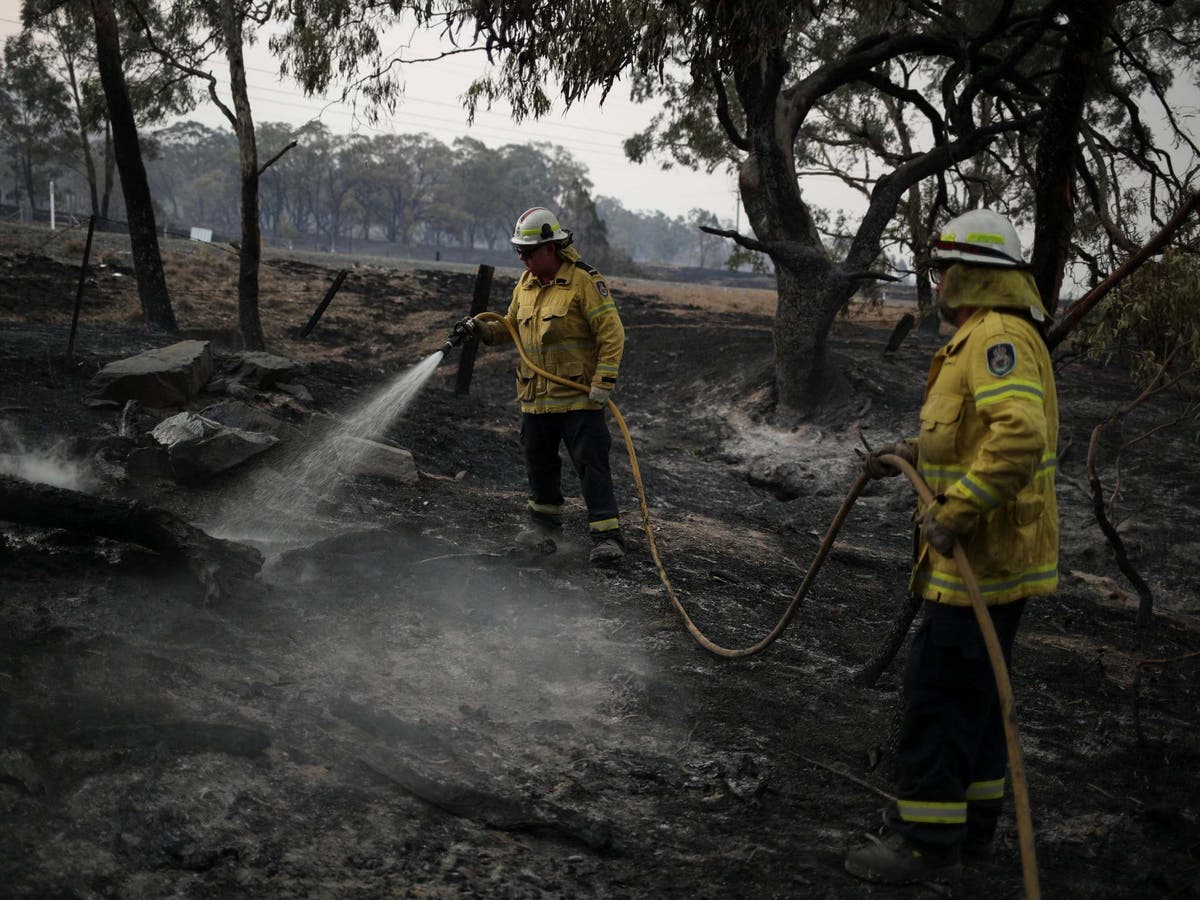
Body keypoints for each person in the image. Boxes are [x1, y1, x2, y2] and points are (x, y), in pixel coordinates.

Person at [845, 209, 1059, 884]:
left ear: (969, 274)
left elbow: (1018, 437)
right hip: (992, 559)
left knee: (937, 694)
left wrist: (957, 512)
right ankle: (973, 830)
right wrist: (913, 452)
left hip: (982, 559)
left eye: (943, 270)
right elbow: (973, 433)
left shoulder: (996, 338)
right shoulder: (985, 337)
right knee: (976, 696)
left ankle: (926, 843)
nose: (937, 283)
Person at [456, 206, 627, 566]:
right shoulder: (525, 284)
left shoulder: (583, 281)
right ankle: (544, 531)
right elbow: (511, 327)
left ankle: (607, 537)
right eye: (519, 251)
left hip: (578, 396)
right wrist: (483, 331)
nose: (523, 258)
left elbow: (612, 334)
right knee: (539, 463)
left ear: (550, 247)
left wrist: (604, 381)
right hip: (536, 397)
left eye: (529, 252)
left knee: (591, 463)